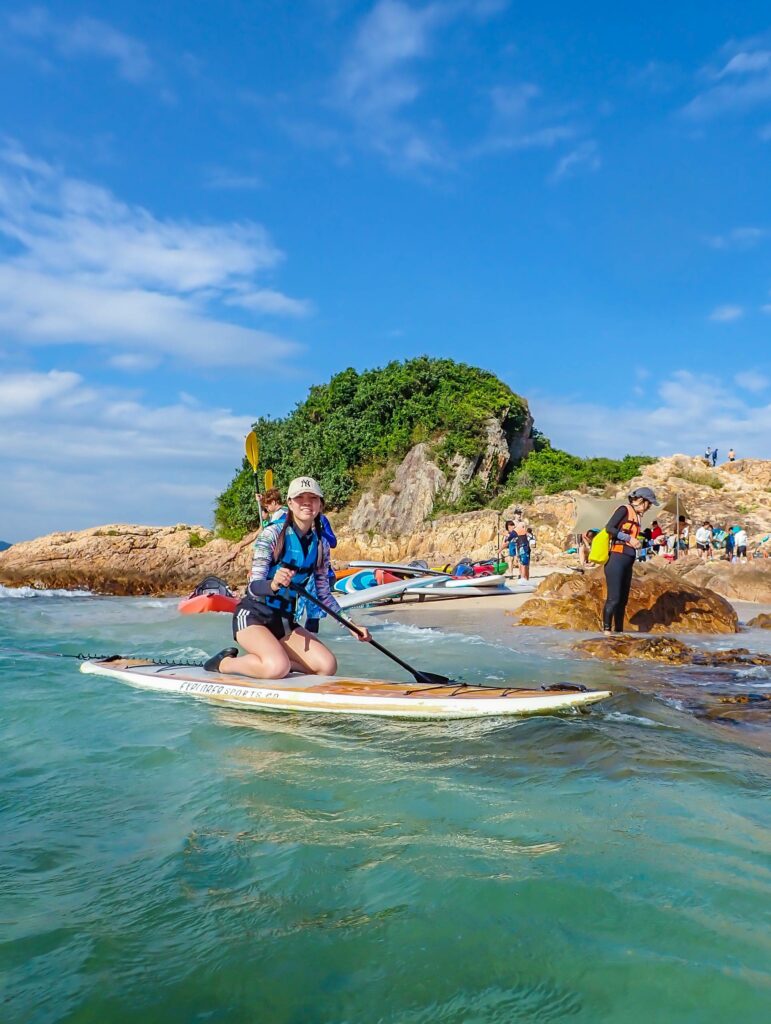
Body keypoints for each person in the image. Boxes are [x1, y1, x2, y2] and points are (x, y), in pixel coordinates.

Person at [204, 476, 370, 678]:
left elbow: (324, 595)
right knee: (277, 668)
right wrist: (273, 584)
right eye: (300, 497)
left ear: (320, 504)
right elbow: (253, 587)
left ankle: (274, 659)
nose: (307, 502)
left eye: (313, 498)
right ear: (290, 503)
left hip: (283, 622)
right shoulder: (271, 535)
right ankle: (225, 663)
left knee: (327, 667)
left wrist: (351, 625)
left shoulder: (321, 546)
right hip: (252, 616)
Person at [602, 487, 659, 633]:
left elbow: (638, 543)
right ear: (642, 500)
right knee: (613, 599)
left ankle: (618, 632)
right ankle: (606, 631)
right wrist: (628, 538)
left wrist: (655, 542)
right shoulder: (624, 510)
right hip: (616, 559)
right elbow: (609, 528)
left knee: (622, 602)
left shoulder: (638, 517)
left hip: (628, 561)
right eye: (649, 504)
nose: (649, 507)